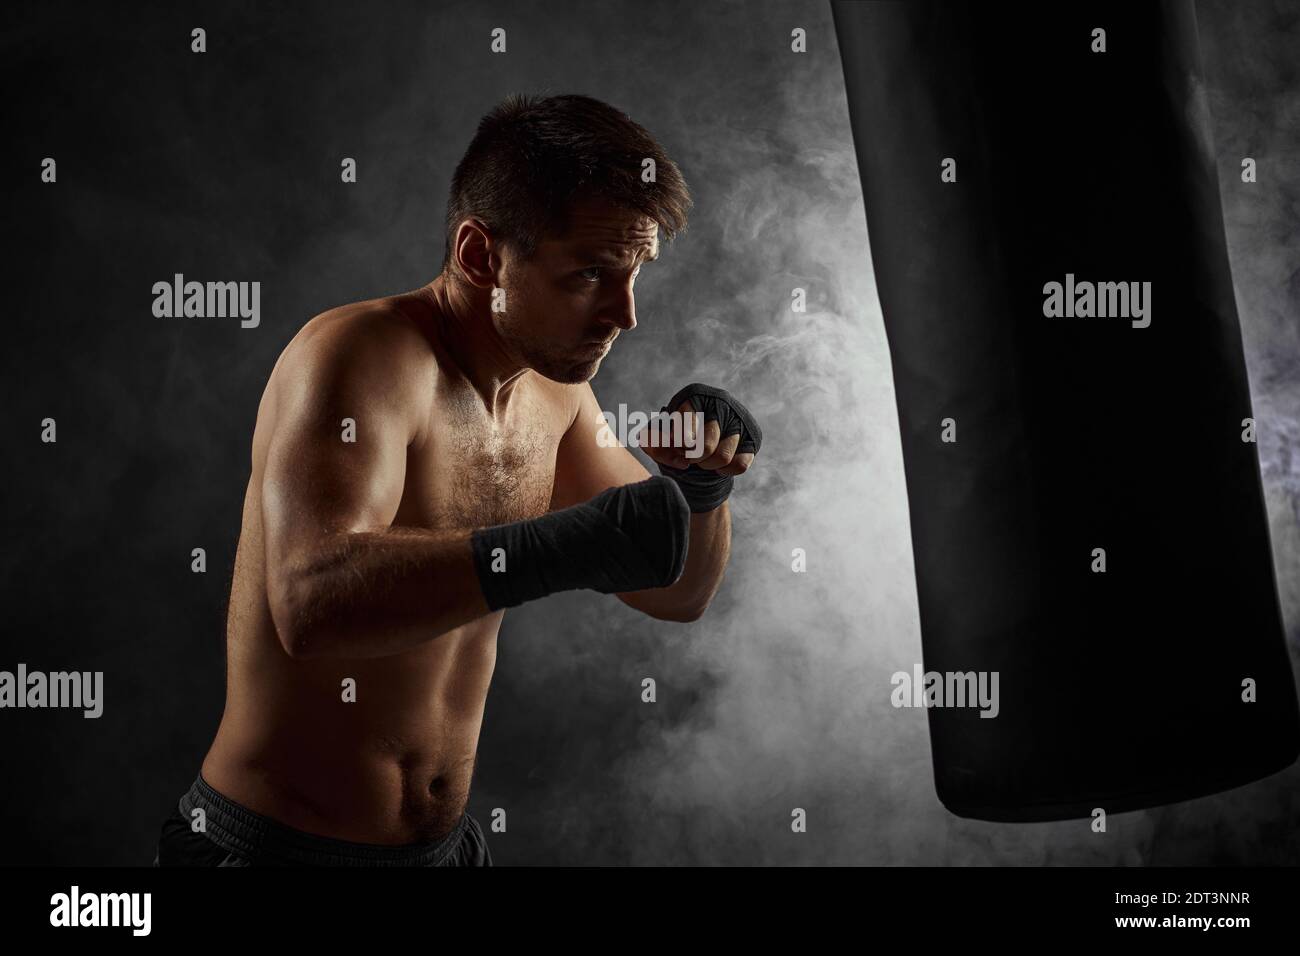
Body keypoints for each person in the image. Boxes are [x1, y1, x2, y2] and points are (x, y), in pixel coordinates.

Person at [154, 92, 762, 867]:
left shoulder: (558, 395)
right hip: (273, 851)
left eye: (636, 272)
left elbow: (677, 592)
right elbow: (311, 604)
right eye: (589, 274)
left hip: (444, 852)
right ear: (482, 257)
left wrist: (700, 493)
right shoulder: (361, 356)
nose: (626, 313)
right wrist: (561, 550)